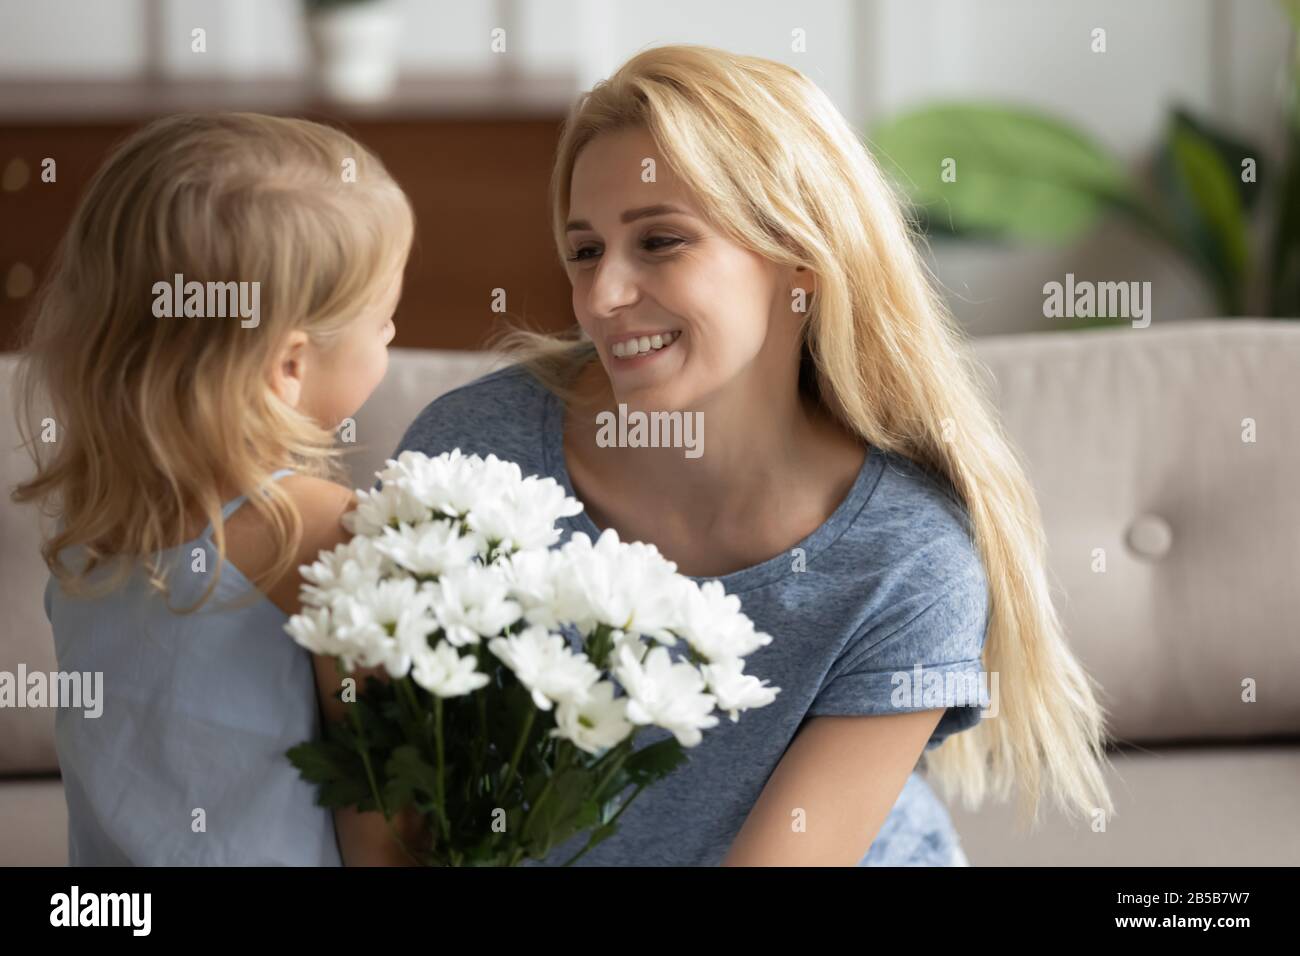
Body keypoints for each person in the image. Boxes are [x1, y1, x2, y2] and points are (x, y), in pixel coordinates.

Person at [393, 45, 1114, 865]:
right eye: (585, 251)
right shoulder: (474, 455)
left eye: (660, 241)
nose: (600, 297)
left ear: (799, 268)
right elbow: (390, 781)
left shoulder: (905, 562)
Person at [12, 112, 418, 865]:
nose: (392, 335)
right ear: (289, 366)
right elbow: (381, 808)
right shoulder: (323, 535)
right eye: (384, 320)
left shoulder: (94, 526)